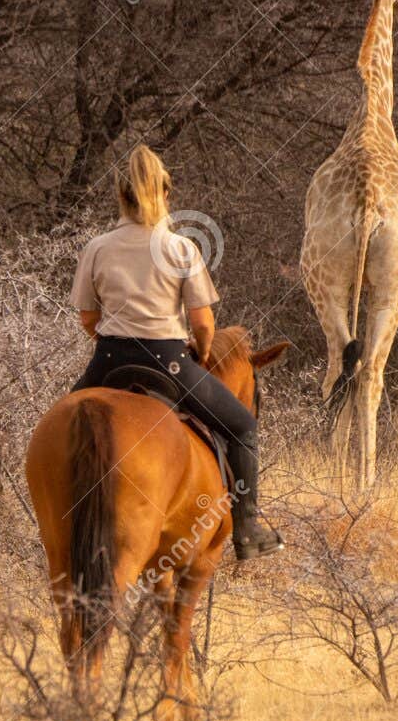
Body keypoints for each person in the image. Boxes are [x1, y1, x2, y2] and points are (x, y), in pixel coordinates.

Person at [69, 144, 284, 560]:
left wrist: (113, 341)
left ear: (121, 195)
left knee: (59, 429)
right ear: (165, 193)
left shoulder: (97, 248)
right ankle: (248, 530)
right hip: (168, 363)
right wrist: (201, 351)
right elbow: (204, 323)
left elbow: (87, 320)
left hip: (109, 360)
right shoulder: (180, 248)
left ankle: (56, 522)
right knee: (242, 429)